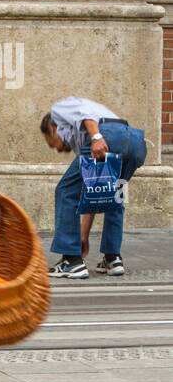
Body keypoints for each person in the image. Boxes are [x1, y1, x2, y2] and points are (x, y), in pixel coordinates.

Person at [41, 97, 147, 279]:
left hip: (107, 136)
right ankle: (112, 258)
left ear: (52, 129)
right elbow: (91, 193)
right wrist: (83, 236)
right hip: (136, 142)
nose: (57, 149)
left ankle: (71, 261)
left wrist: (97, 137)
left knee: (65, 190)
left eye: (52, 143)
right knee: (114, 195)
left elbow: (85, 115)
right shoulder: (81, 138)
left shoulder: (58, 110)